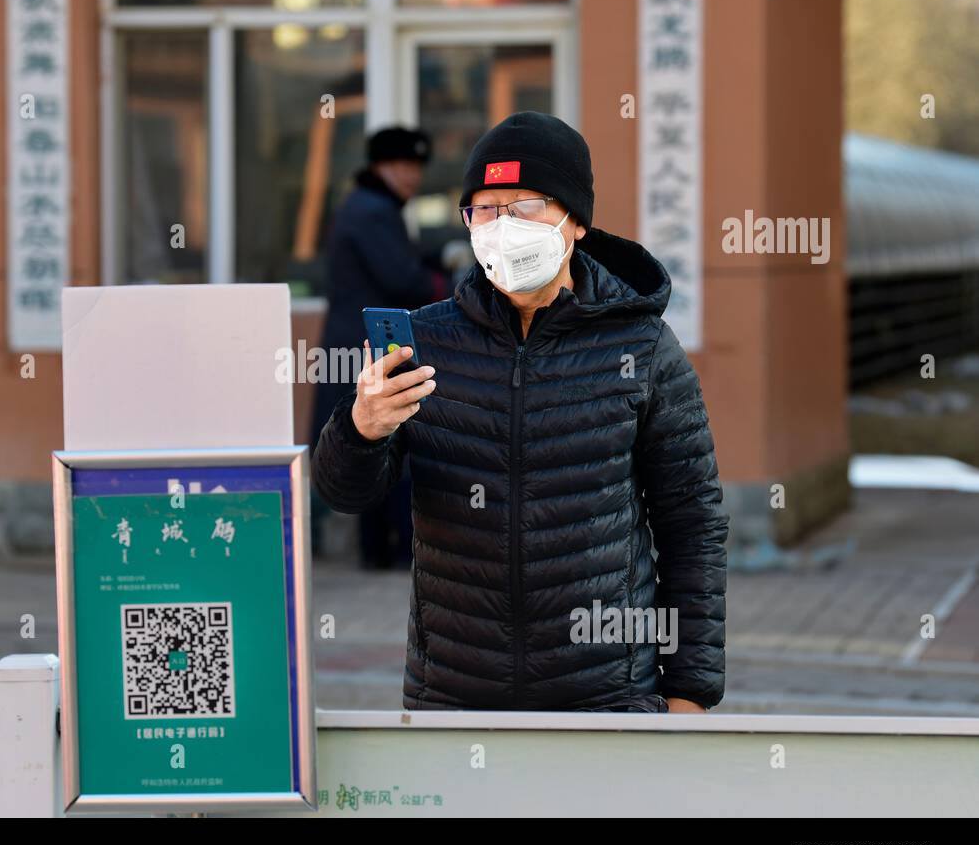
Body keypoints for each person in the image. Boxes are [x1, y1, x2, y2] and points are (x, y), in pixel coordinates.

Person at [312, 111, 728, 713]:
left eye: (525, 205)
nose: (502, 227)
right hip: (453, 696)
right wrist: (360, 430)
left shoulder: (640, 347)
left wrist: (690, 689)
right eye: (484, 209)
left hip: (606, 698)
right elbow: (345, 494)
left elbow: (693, 523)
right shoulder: (427, 343)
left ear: (575, 221)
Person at [311, 126, 449, 570]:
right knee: (376, 436)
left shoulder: (366, 205)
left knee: (368, 437)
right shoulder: (373, 211)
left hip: (356, 340)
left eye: (416, 168)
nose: (412, 177)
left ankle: (377, 549)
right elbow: (401, 279)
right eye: (402, 166)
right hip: (366, 345)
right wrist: (447, 284)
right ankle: (383, 549)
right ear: (380, 167)